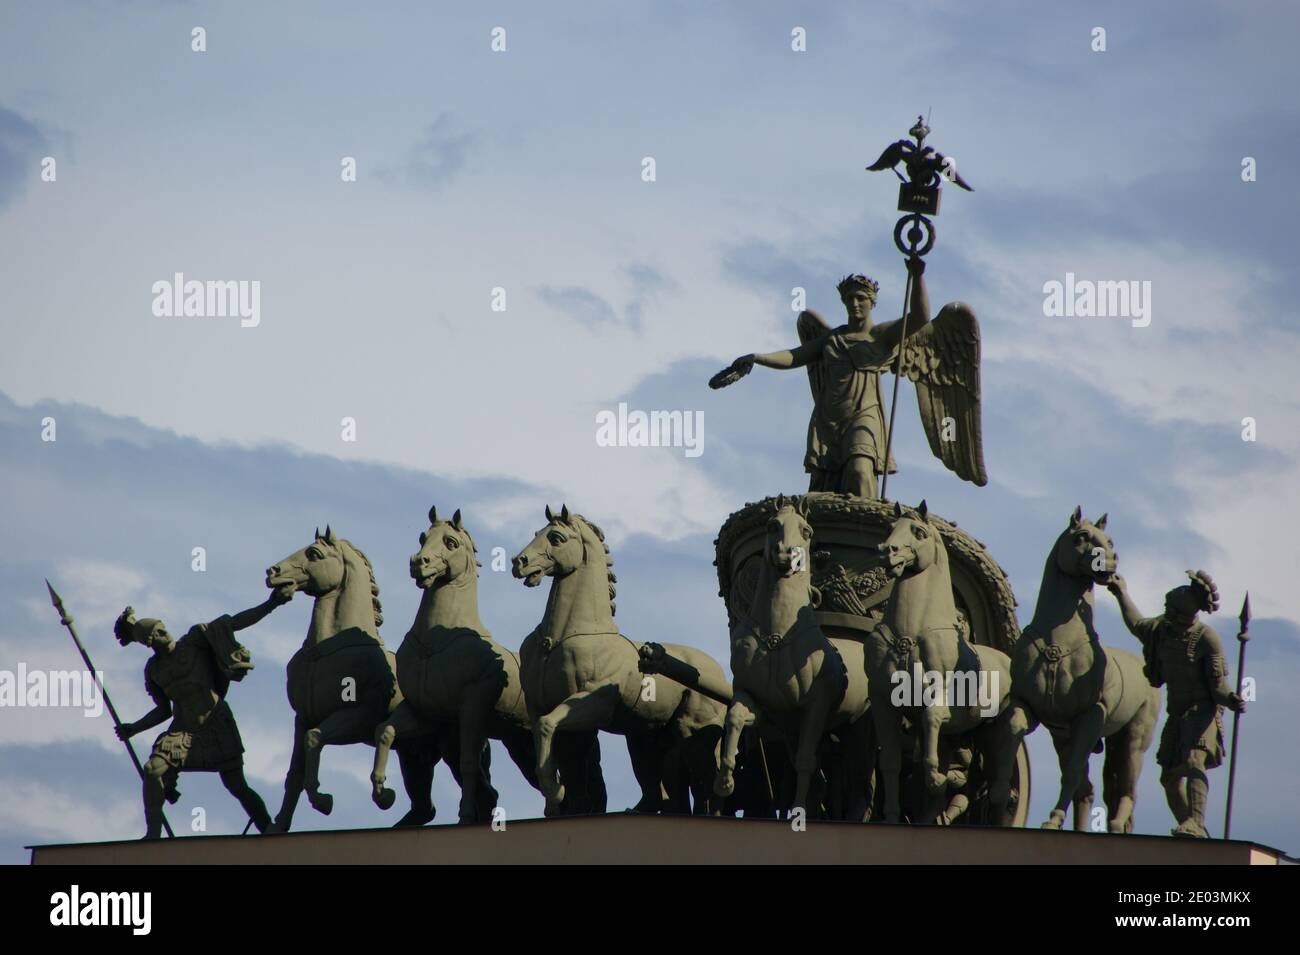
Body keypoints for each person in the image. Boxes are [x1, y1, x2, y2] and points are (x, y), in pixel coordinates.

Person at [114, 593, 288, 839]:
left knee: (237, 785)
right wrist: (134, 728)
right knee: (152, 770)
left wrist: (272, 603)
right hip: (182, 731)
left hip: (216, 722)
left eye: (164, 628)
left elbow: (232, 623)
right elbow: (163, 710)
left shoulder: (194, 641)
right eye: (159, 633)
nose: (166, 634)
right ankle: (153, 834)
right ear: (150, 643)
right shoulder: (154, 670)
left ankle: (268, 830)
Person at [1106, 570, 1245, 838]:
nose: (1165, 611)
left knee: (1195, 761)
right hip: (1177, 713)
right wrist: (1121, 592)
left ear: (1183, 612)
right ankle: (1192, 827)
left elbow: (1218, 686)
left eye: (1170, 607)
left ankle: (1196, 821)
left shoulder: (1207, 638)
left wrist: (1231, 699)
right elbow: (1137, 624)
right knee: (1169, 778)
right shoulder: (1162, 631)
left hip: (1202, 713)